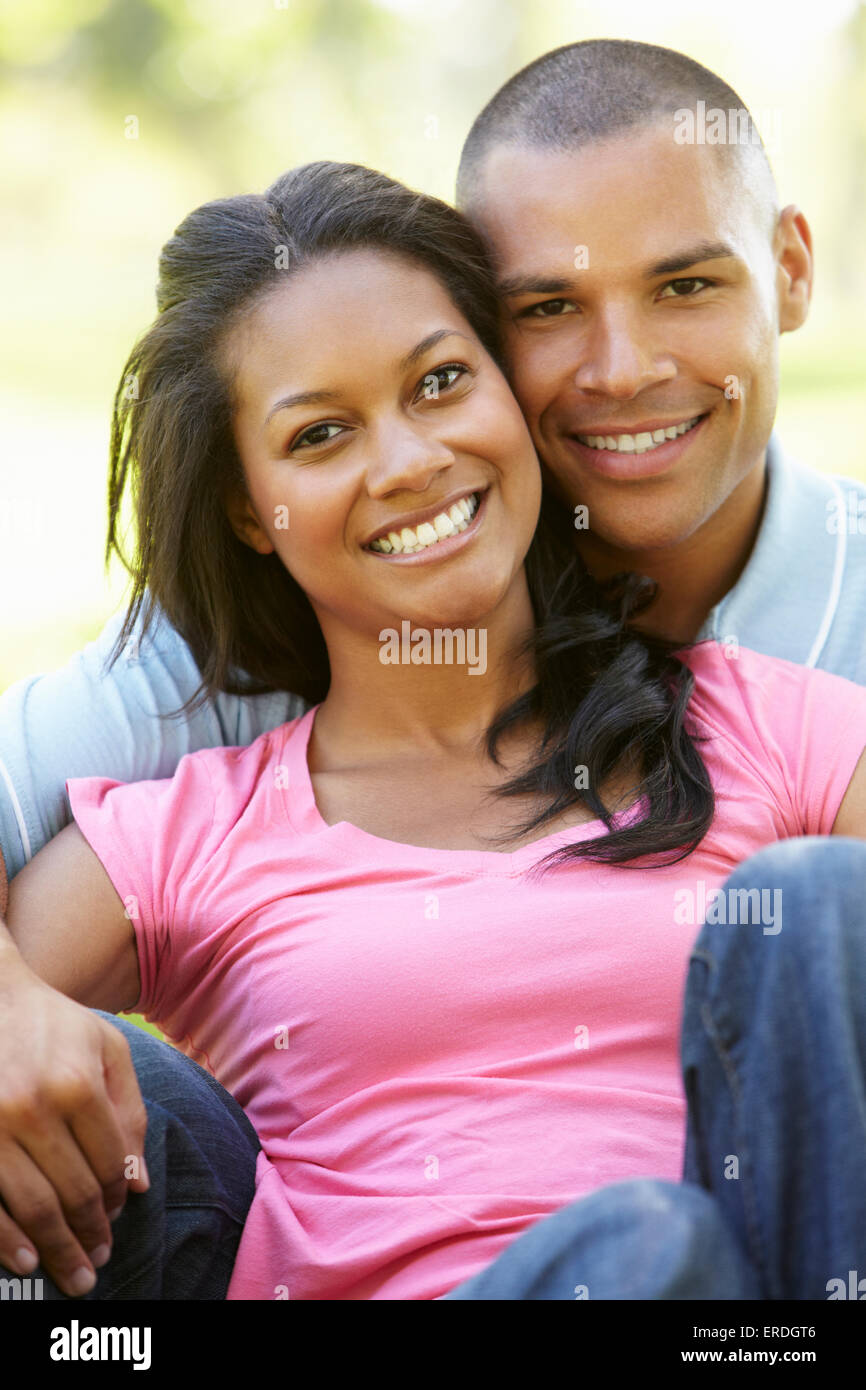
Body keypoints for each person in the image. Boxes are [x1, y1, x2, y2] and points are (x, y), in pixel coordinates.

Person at [2, 160, 866, 1302]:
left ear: (511, 395)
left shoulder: (766, 725)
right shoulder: (186, 837)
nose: (408, 462)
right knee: (643, 1250)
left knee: (817, 908)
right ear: (243, 510)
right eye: (318, 436)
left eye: (442, 381)